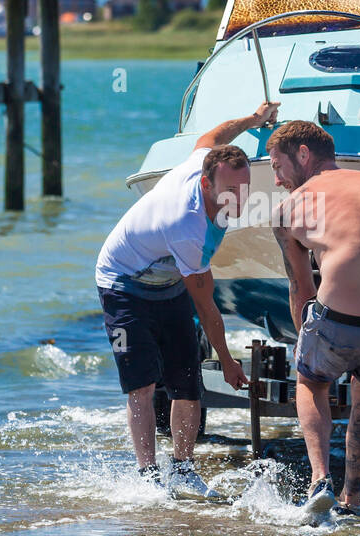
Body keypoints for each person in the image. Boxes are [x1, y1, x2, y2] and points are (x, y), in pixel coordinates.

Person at [96, 101, 280, 498]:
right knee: (142, 385)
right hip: (123, 282)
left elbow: (210, 138)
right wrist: (228, 361)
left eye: (244, 189)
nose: (239, 198)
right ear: (205, 183)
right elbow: (206, 305)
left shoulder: (206, 161)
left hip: (168, 280)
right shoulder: (187, 226)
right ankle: (148, 475)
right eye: (230, 191)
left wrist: (253, 120)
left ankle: (181, 468)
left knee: (187, 383)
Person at [268, 120, 360, 519]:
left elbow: (302, 290)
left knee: (310, 381)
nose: (277, 178)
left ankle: (320, 481)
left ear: (303, 155)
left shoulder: (289, 208)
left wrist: (307, 343)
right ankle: (353, 499)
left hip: (339, 319)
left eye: (277, 165)